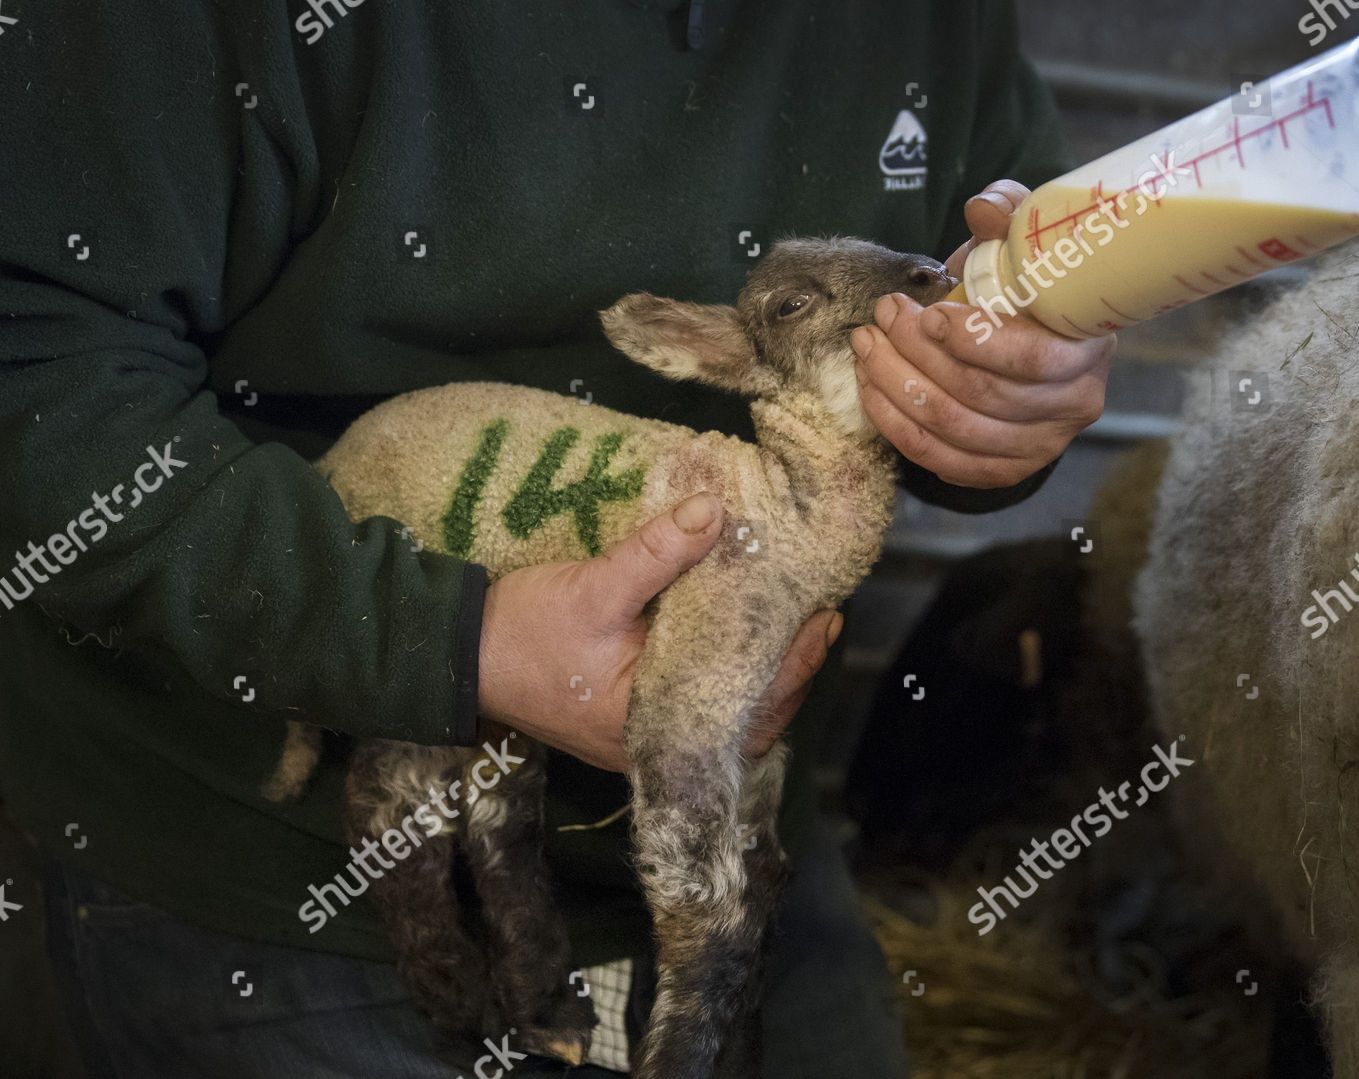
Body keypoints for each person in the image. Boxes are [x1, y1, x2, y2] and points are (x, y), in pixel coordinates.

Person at [0, 1, 1113, 1075]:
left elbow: (983, 290)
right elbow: (40, 360)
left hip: (757, 826)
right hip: (262, 871)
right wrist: (443, 639)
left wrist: (1003, 402)